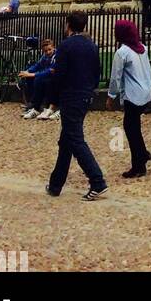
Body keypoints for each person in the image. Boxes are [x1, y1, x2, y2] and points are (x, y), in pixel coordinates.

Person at [47, 13, 108, 202]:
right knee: (66, 141)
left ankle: (97, 181)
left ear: (68, 25)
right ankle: (56, 184)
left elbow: (60, 75)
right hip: (85, 95)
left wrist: (53, 100)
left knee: (75, 140)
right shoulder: (92, 45)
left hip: (70, 96)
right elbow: (97, 72)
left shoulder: (66, 46)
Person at [106, 20, 151, 180]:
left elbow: (115, 77)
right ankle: (143, 154)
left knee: (130, 128)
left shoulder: (122, 53)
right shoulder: (143, 48)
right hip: (145, 92)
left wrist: (111, 96)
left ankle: (138, 165)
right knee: (134, 126)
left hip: (133, 95)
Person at [20, 38, 59, 120]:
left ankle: (37, 107)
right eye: (46, 51)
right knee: (30, 78)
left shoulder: (56, 56)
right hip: (48, 76)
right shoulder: (45, 56)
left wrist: (33, 74)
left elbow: (50, 71)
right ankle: (33, 105)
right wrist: (27, 71)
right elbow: (37, 65)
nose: (48, 52)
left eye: (49, 50)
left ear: (53, 47)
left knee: (38, 79)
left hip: (56, 78)